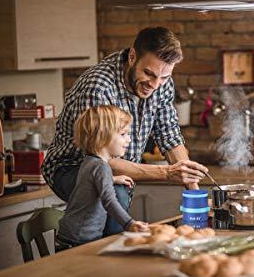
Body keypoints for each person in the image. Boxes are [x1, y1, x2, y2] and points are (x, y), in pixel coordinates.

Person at [42, 27, 208, 235]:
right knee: (115, 192)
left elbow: (169, 136)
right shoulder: (98, 87)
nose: (155, 85)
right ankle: (107, 262)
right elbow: (101, 160)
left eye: (164, 77)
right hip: (72, 168)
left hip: (113, 167)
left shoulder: (161, 83)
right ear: (132, 56)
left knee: (116, 195)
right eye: (148, 73)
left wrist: (195, 194)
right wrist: (166, 172)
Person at [55, 105, 148, 251]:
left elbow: (88, 183)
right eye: (123, 134)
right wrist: (129, 224)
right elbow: (109, 200)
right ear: (103, 136)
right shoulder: (101, 167)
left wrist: (113, 179)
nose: (129, 139)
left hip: (69, 236)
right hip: (79, 240)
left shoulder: (89, 161)